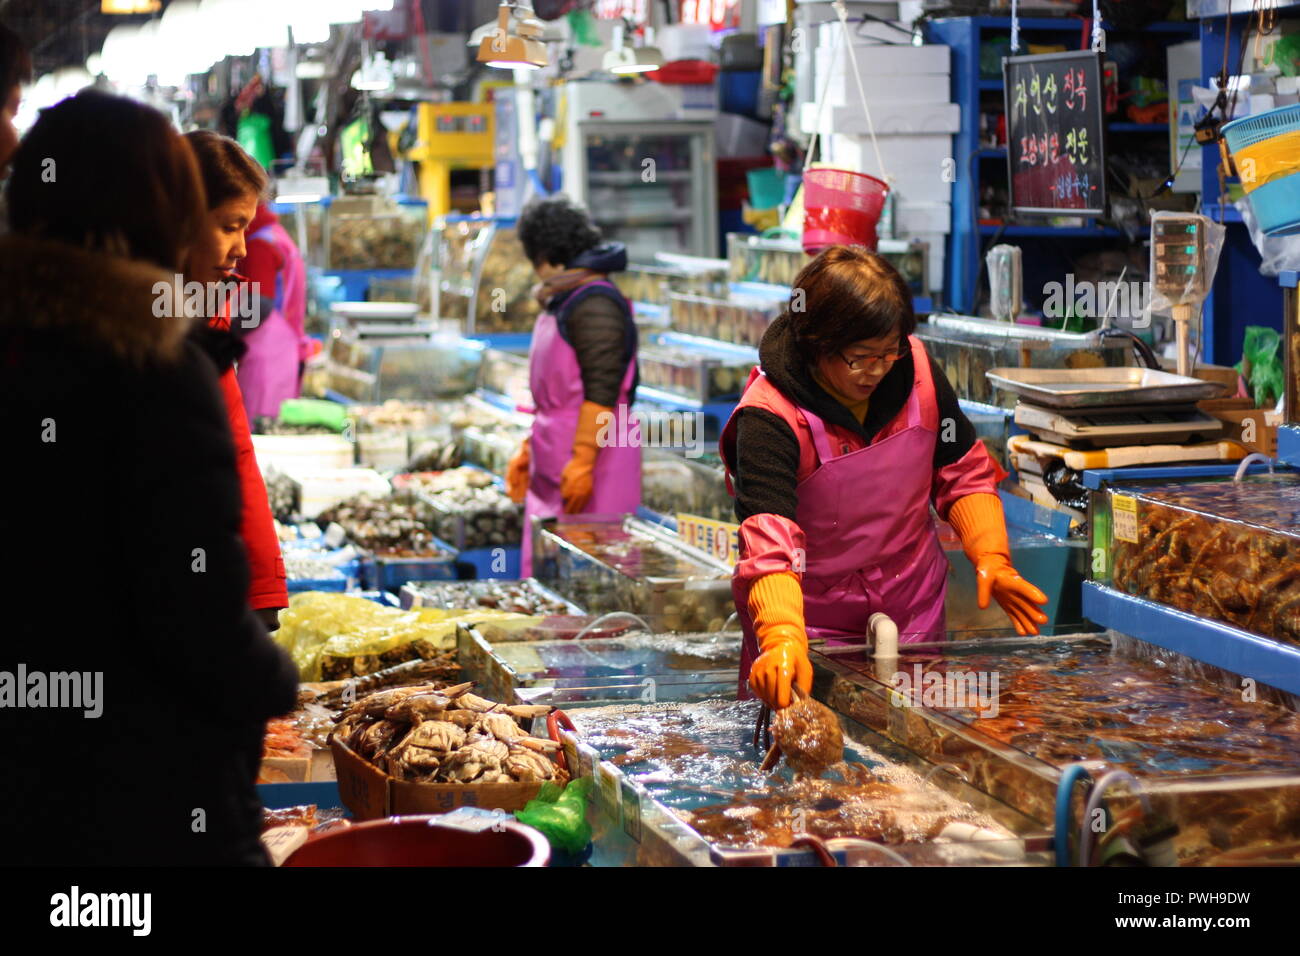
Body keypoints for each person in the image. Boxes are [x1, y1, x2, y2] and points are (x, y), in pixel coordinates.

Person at [0, 90, 298, 865]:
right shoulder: (155, 368)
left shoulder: (25, 342)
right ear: (155, 210)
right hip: (151, 782)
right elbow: (191, 606)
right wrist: (273, 679)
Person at [719, 246, 1048, 709]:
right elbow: (770, 540)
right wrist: (781, 635)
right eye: (859, 357)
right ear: (817, 344)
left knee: (914, 750)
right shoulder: (769, 417)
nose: (876, 370)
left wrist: (991, 555)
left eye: (887, 353)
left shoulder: (916, 372)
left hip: (912, 605)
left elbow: (961, 473)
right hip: (808, 621)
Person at [183, 130, 288, 630]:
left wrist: (261, 590)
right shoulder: (116, 331)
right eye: (229, 227)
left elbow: (236, 451)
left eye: (246, 228)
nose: (241, 249)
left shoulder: (210, 309)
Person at [508, 196, 642, 575]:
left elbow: (603, 389)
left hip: (599, 459)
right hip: (554, 456)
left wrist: (583, 459)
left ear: (549, 255)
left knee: (593, 574)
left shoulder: (594, 302)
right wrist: (529, 449)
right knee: (550, 577)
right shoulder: (565, 299)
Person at [233, 199, 308, 423]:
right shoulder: (275, 233)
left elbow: (259, 306)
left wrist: (222, 335)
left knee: (260, 430)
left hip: (267, 356)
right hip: (283, 351)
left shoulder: (258, 245)